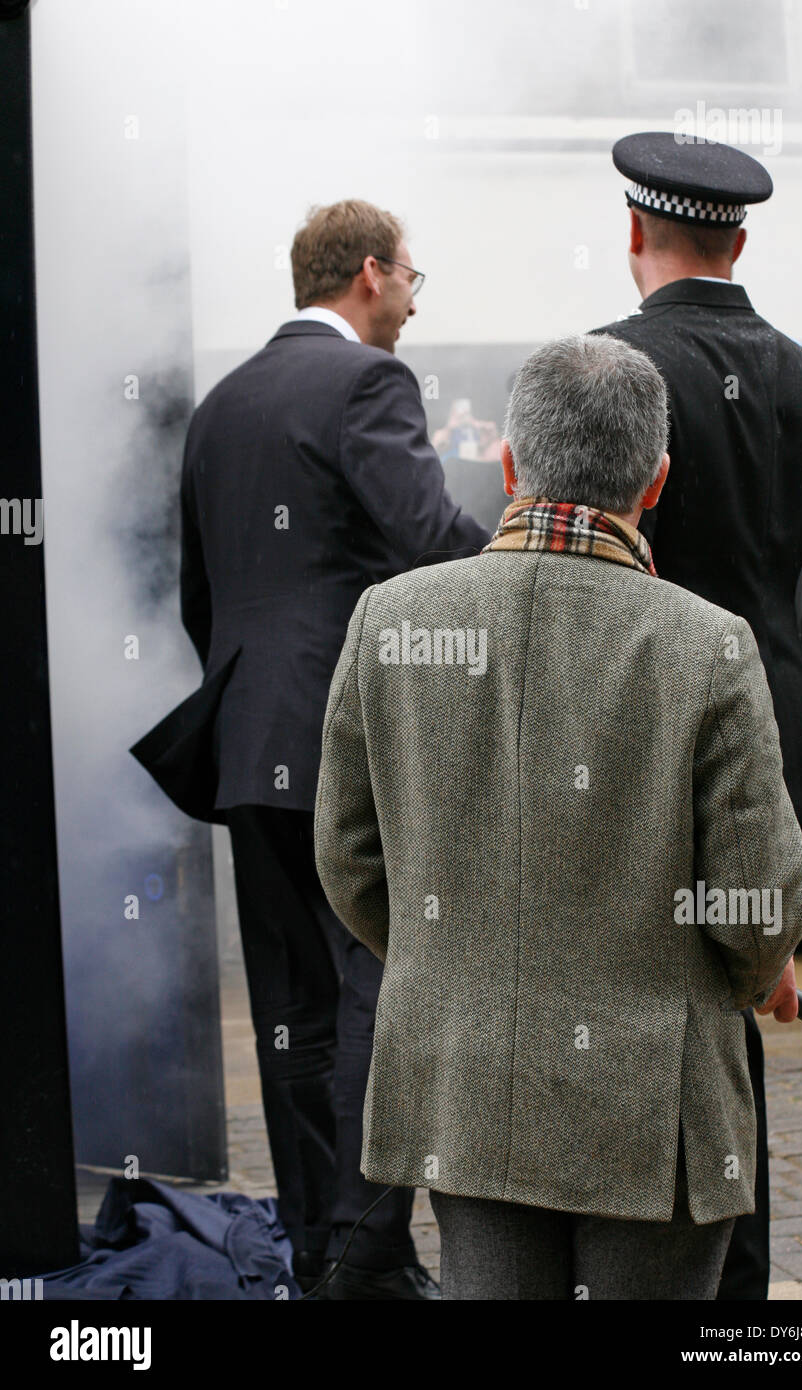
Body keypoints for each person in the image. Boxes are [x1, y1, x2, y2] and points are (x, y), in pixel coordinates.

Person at [314, 333, 802, 1301]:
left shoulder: (390, 619)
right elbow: (755, 909)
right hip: (653, 1110)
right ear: (656, 480)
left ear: (506, 465)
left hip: (467, 1088)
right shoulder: (707, 646)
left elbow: (349, 859)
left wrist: (456, 961)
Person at [170, 199, 489, 1298]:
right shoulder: (368, 383)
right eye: (411, 276)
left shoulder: (220, 404)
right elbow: (430, 538)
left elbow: (197, 596)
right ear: (366, 273)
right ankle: (368, 1252)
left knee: (290, 1010)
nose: (413, 297)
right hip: (344, 741)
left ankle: (316, 1246)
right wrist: (517, 553)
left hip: (245, 734)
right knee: (375, 991)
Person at [591, 131, 802, 1298]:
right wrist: (798, 717)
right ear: (739, 240)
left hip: (634, 743)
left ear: (633, 234)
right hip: (780, 740)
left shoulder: (604, 370)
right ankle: (732, 1293)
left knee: (634, 1013)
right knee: (729, 1018)